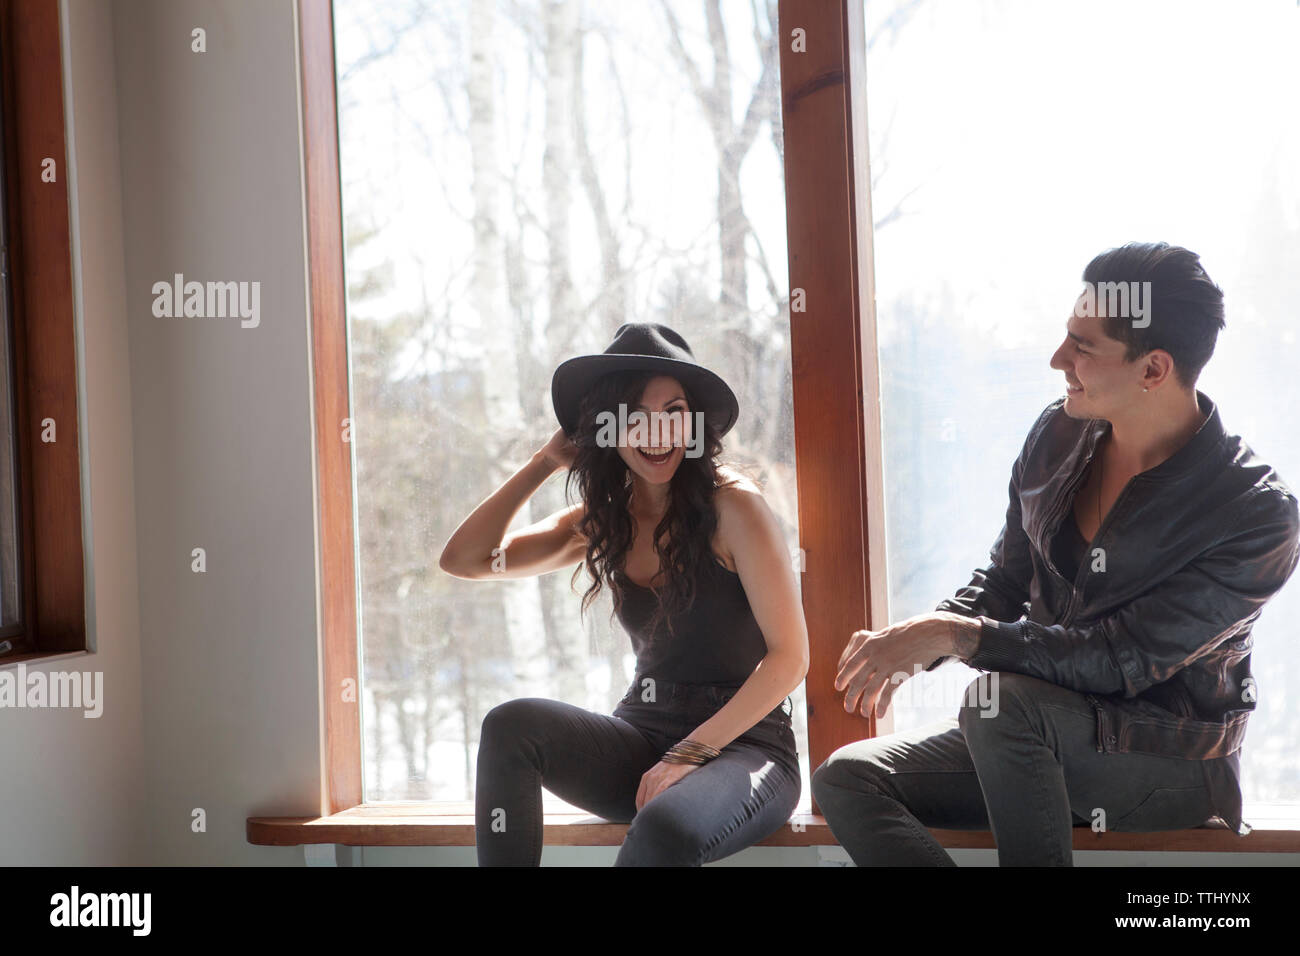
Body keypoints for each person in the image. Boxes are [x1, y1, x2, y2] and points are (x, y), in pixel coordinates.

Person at [813, 241, 1300, 866]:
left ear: (1153, 369)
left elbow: (1117, 658)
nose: (1057, 359)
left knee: (1001, 706)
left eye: (1083, 347)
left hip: (1169, 758)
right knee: (846, 778)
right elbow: (1005, 579)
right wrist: (911, 645)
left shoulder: (1256, 513)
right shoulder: (1058, 432)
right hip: (1031, 731)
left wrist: (955, 635)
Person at [440, 322, 808, 866]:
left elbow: (790, 657)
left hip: (748, 746)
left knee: (665, 825)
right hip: (642, 733)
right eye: (635, 417)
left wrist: (689, 754)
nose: (657, 433)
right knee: (510, 725)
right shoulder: (603, 519)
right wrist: (544, 463)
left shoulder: (735, 507)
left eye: (673, 412)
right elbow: (464, 559)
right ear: (607, 429)